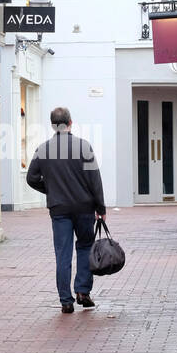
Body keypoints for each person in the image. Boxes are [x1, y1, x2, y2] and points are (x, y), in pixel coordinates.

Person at [26, 107, 106, 313]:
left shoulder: (43, 150)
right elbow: (94, 180)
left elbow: (31, 178)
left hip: (59, 208)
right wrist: (100, 207)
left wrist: (50, 190)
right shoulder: (84, 147)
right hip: (84, 207)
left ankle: (66, 300)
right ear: (70, 123)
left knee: (62, 254)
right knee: (85, 246)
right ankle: (83, 291)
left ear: (53, 125)